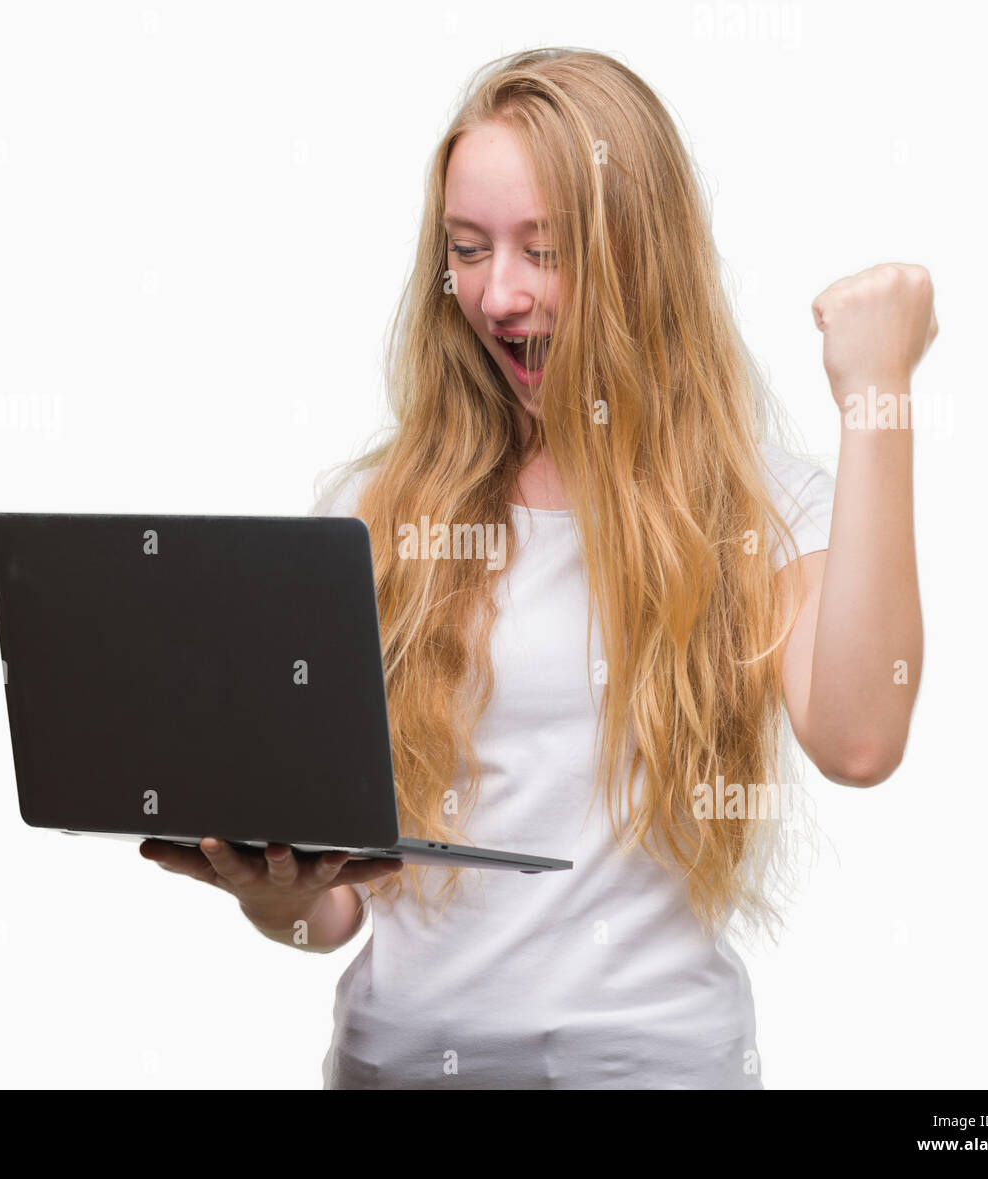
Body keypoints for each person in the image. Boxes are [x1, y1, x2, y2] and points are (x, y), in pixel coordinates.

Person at [142, 47, 934, 1089]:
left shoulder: (760, 506)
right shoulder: (373, 515)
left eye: (544, 251)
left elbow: (861, 739)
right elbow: (332, 912)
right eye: (468, 249)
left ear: (641, 257)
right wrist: (273, 892)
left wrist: (875, 393)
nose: (498, 295)